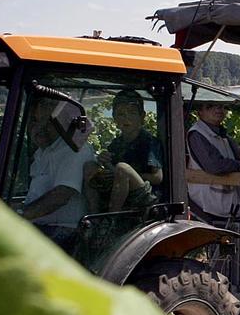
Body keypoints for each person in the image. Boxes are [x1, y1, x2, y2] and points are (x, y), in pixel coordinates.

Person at [21, 97, 95, 251]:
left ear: (57, 122)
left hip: (65, 231)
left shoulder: (73, 150)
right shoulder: (42, 152)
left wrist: (20, 215)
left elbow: (61, 196)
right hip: (40, 226)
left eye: (43, 121)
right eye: (33, 122)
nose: (36, 128)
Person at [88, 90, 162, 213]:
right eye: (121, 114)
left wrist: (122, 173)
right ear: (115, 118)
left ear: (142, 116)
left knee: (122, 169)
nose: (126, 118)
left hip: (144, 196)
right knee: (89, 167)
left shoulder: (149, 142)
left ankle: (111, 219)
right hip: (120, 192)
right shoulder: (116, 144)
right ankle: (93, 216)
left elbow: (157, 177)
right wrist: (104, 164)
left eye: (132, 113)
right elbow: (113, 172)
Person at [187, 100, 240, 218]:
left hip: (229, 198)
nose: (218, 109)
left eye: (221, 106)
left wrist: (238, 152)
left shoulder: (220, 133)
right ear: (200, 112)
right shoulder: (197, 134)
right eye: (210, 106)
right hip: (213, 203)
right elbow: (215, 166)